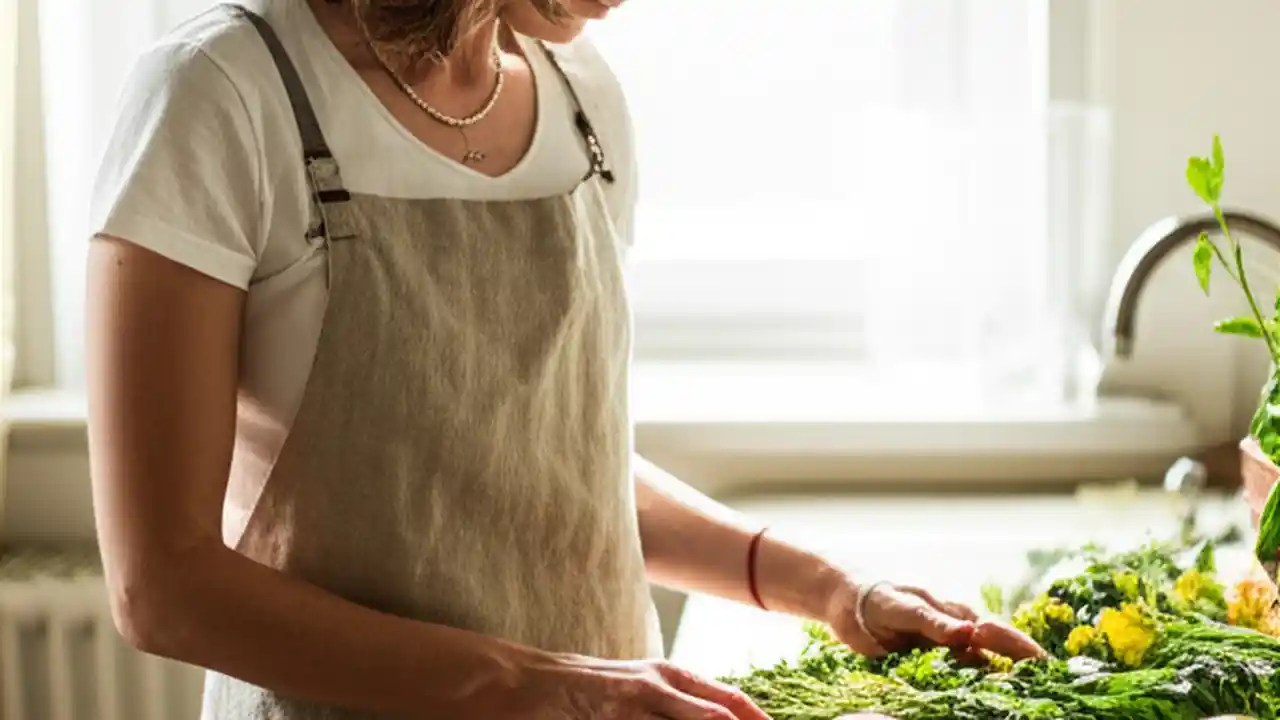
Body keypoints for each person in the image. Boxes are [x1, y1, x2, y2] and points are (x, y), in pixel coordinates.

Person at [85, 0, 1043, 717]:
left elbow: (545, 466)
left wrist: (831, 589)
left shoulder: (585, 101)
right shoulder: (221, 92)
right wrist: (549, 690)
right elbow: (162, 588)